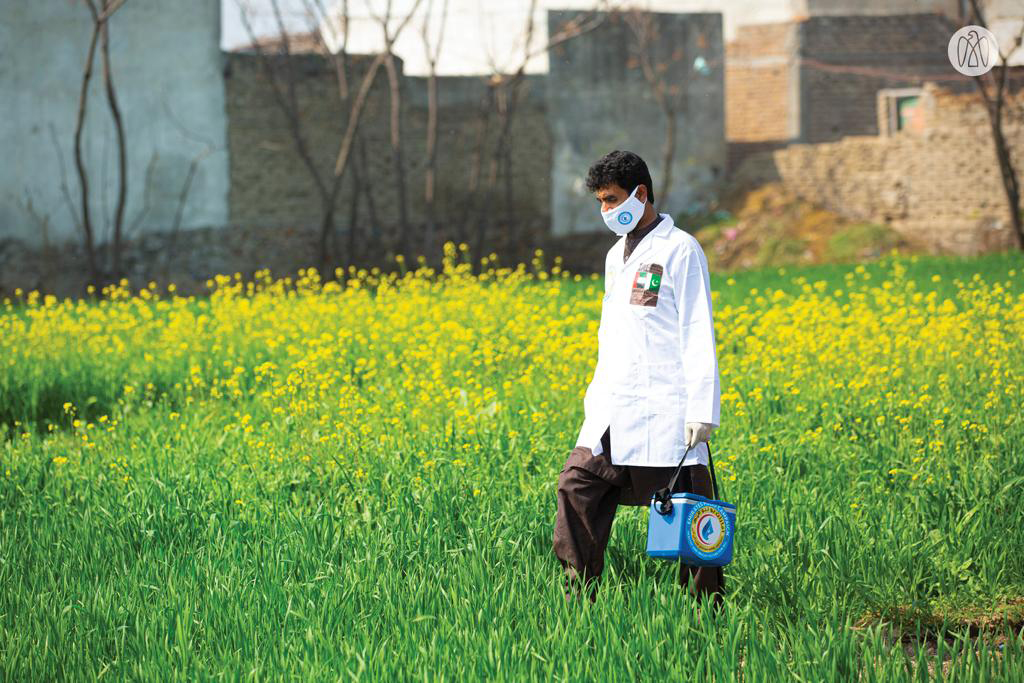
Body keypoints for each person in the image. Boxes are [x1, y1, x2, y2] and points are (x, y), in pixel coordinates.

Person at [552, 150, 723, 605]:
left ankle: (706, 613)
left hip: (669, 410)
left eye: (611, 200)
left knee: (694, 517)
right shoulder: (615, 256)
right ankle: (577, 596)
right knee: (577, 486)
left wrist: (702, 410)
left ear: (640, 193)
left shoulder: (680, 249)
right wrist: (595, 402)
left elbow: (696, 329)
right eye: (600, 203)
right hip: (616, 407)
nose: (606, 211)